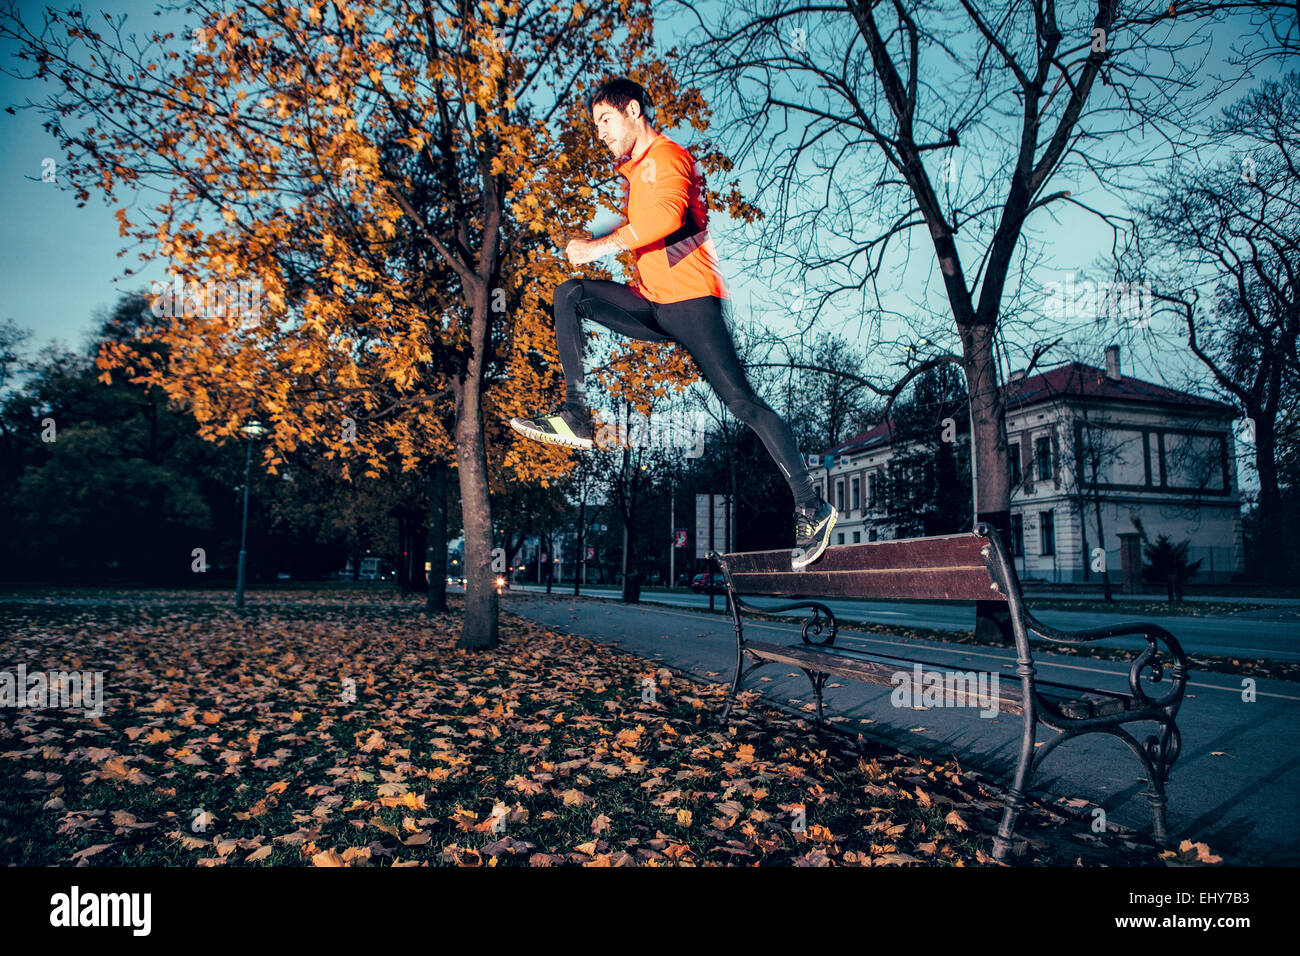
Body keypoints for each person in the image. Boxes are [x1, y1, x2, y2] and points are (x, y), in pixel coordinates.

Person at [510, 77, 837, 569]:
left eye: (605, 120)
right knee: (570, 293)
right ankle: (576, 415)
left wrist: (598, 246)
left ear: (634, 111)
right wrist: (596, 237)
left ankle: (812, 505)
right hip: (652, 305)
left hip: (691, 306)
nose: (599, 133)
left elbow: (665, 220)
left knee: (743, 403)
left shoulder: (668, 157)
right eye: (594, 124)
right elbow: (645, 232)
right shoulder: (637, 171)